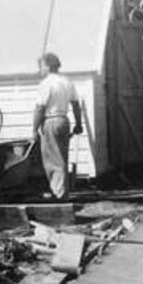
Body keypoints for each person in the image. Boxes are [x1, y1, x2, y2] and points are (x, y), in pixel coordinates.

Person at [32, 52, 82, 201]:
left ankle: (58, 195)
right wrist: (78, 124)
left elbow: (40, 108)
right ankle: (63, 193)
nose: (40, 70)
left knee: (52, 159)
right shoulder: (67, 81)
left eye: (40, 66)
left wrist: (34, 129)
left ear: (47, 66)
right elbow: (76, 104)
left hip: (51, 121)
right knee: (62, 158)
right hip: (64, 120)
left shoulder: (46, 83)